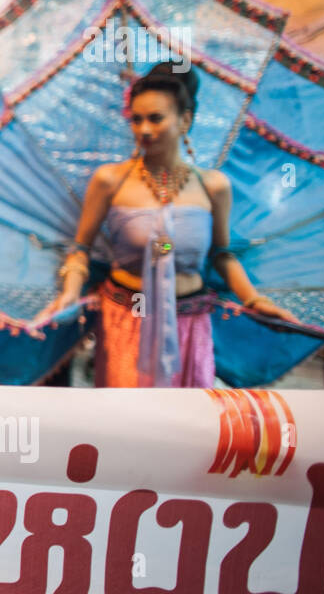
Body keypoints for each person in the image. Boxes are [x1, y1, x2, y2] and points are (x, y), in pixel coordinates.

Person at [36, 62, 299, 387]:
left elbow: (222, 255)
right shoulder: (110, 180)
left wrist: (255, 299)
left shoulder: (213, 186)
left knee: (189, 426)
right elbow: (80, 250)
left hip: (191, 326)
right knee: (126, 426)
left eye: (156, 118)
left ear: (185, 120)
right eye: (136, 119)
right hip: (124, 322)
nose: (144, 129)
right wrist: (70, 293)